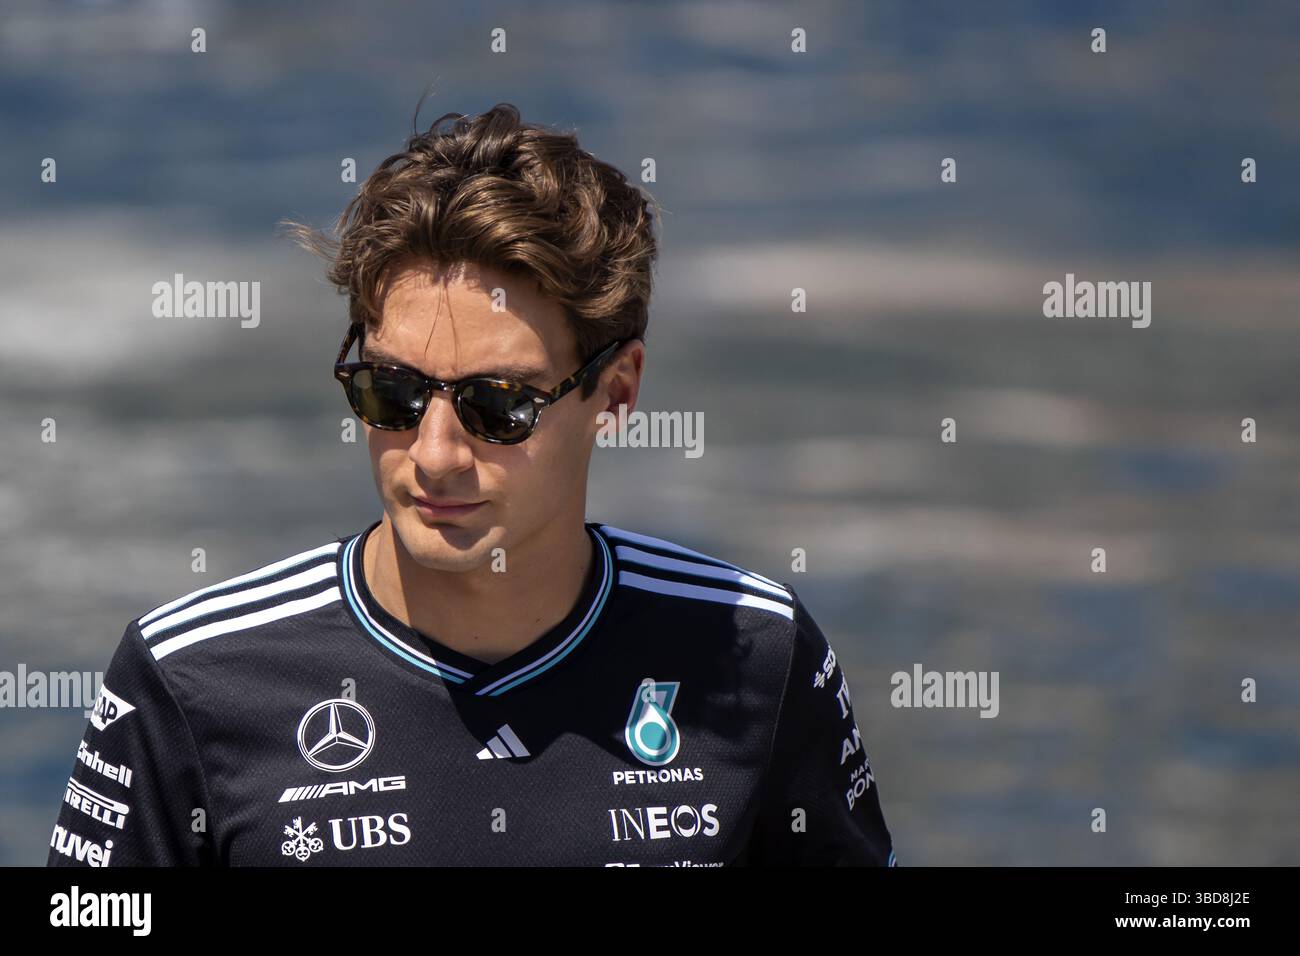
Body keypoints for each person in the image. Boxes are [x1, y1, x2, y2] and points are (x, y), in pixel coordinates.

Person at [46, 103, 896, 866]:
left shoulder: (764, 658)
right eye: (394, 394)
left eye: (501, 405)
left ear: (618, 393)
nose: (436, 453)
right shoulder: (187, 680)